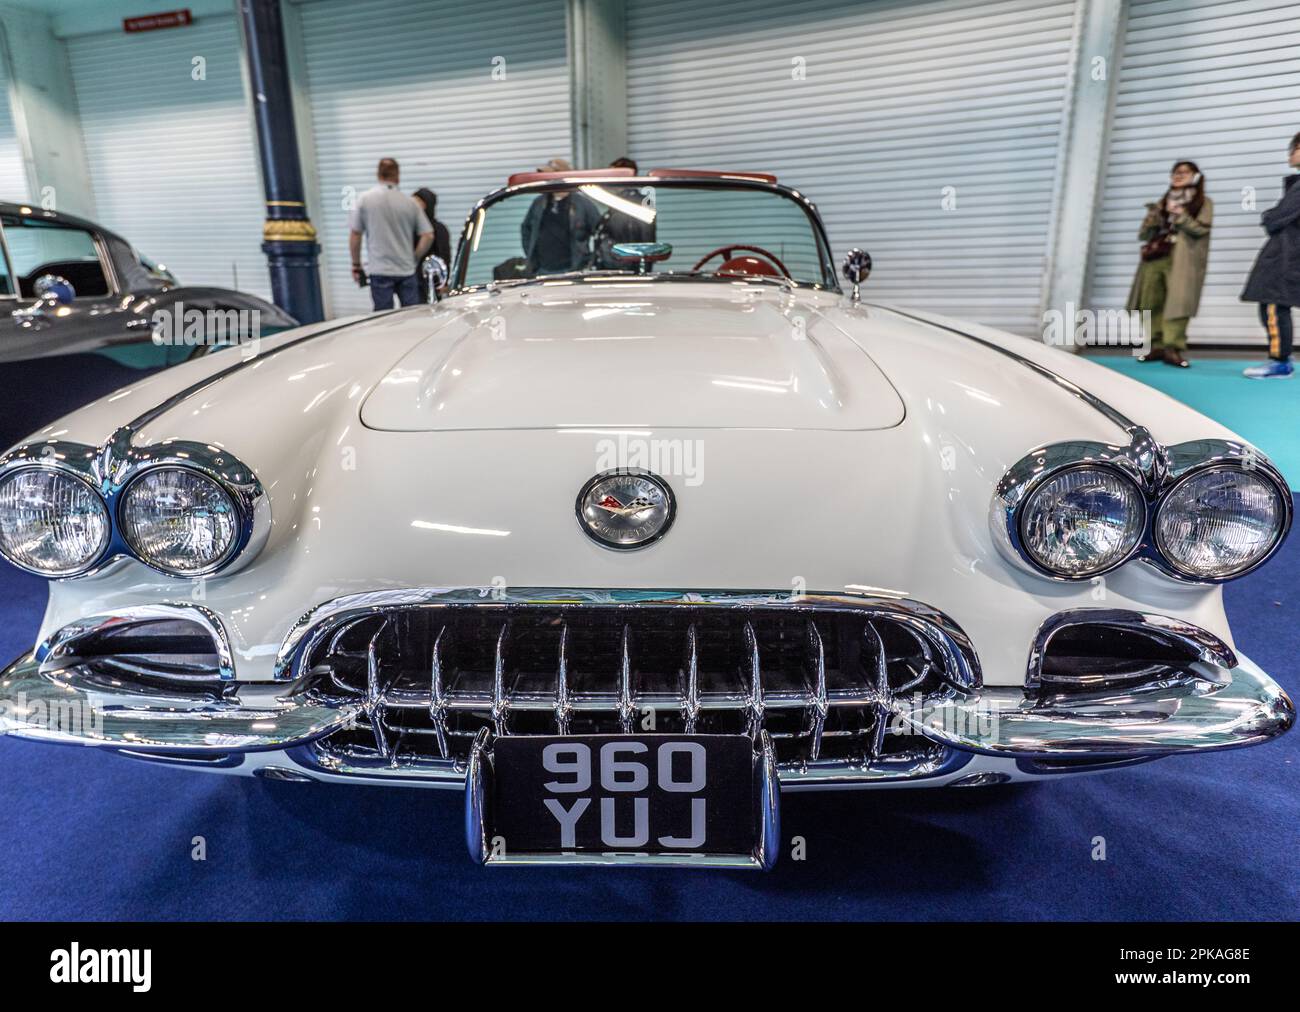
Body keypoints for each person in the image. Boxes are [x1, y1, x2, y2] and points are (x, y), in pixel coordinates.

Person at [1126, 161, 1213, 367]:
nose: (1178, 175)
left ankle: (1172, 347)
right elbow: (1144, 234)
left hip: (1182, 258)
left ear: (1196, 176)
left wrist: (1180, 215)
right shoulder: (1161, 202)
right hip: (1155, 258)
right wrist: (1154, 216)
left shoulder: (1203, 203)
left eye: (1184, 172)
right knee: (1150, 301)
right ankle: (1154, 345)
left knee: (1177, 304)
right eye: (1175, 172)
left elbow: (1201, 229)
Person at [1239, 132, 1300, 379]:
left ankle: (1280, 361)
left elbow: (1276, 218)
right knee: (1274, 305)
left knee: (1274, 306)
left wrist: (1268, 215)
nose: (1291, 152)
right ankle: (1281, 358)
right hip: (1287, 255)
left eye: (1295, 147)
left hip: (1287, 257)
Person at [348, 158, 433, 310]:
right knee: (412, 315)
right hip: (406, 269)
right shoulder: (409, 203)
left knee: (383, 319)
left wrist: (356, 265)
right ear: (397, 176)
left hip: (379, 269)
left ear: (378, 174)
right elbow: (428, 235)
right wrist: (414, 257)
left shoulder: (365, 199)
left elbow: (355, 234)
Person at [519, 157, 601, 275]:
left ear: (562, 177)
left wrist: (589, 261)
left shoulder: (583, 205)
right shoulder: (539, 203)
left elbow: (600, 232)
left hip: (573, 272)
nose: (546, 180)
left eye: (549, 176)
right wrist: (531, 254)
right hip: (542, 271)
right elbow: (526, 228)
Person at [594, 156, 657, 269]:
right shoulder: (616, 203)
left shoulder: (635, 204)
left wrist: (643, 270)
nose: (608, 179)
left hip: (626, 272)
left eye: (612, 175)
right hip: (614, 270)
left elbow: (645, 243)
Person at [412, 187, 452, 302]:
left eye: (417, 202)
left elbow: (445, 257)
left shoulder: (439, 229)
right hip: (413, 283)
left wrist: (444, 282)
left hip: (433, 282)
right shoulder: (410, 228)